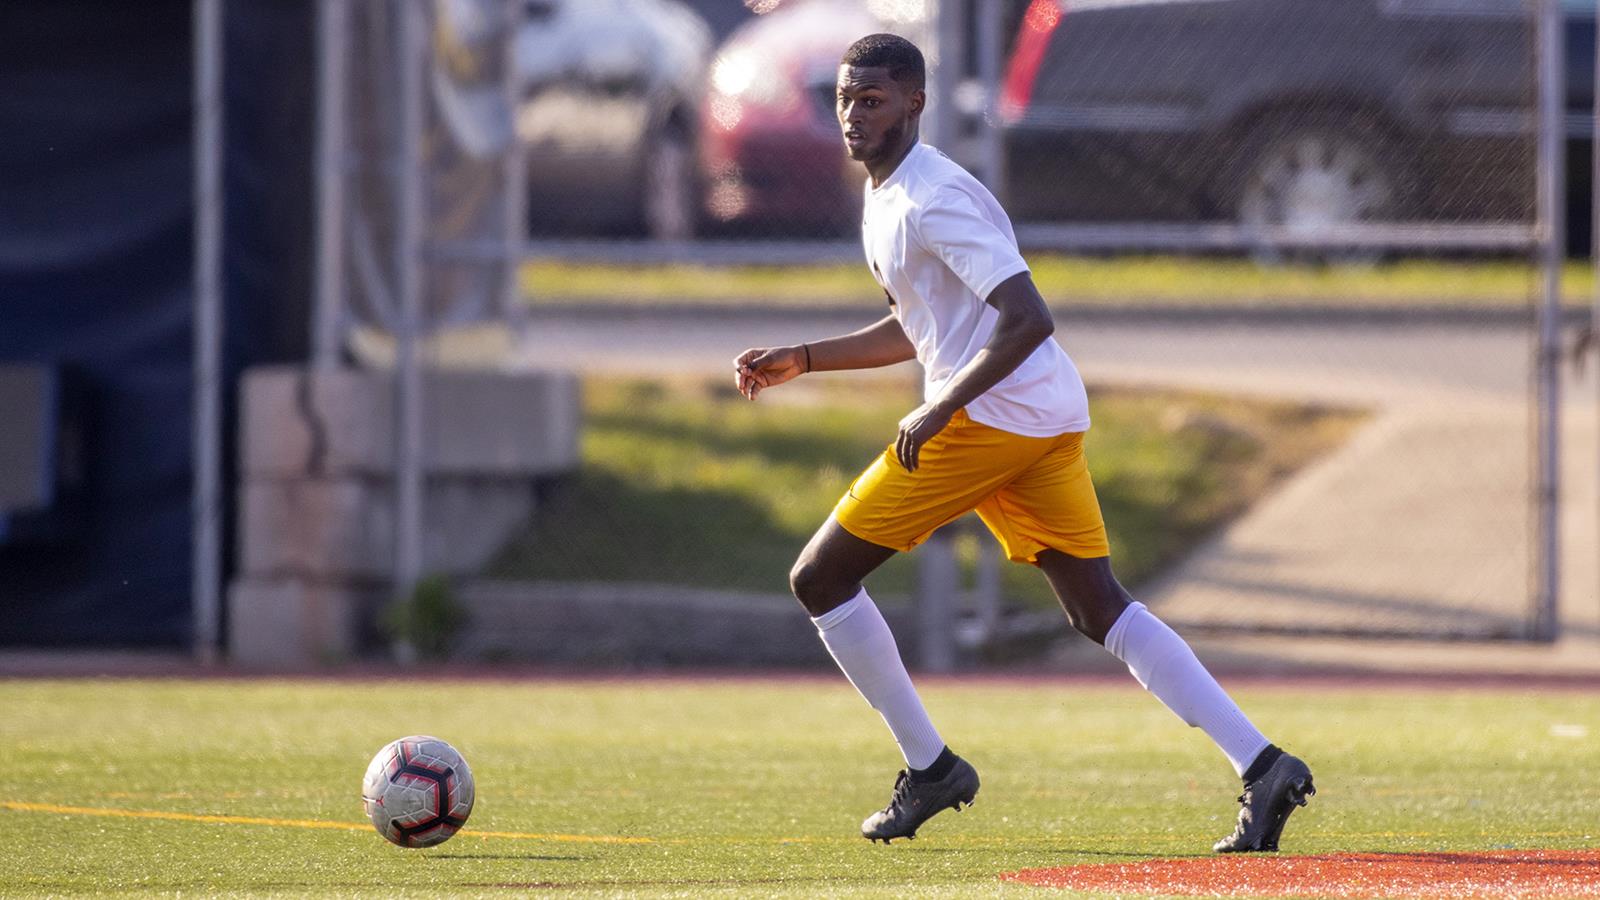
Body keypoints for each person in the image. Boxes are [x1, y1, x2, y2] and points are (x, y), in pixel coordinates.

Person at [732, 33, 1314, 851]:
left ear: (914, 104)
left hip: (991, 421)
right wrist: (807, 358)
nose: (854, 114)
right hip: (1041, 415)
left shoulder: (936, 194)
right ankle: (1264, 765)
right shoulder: (889, 193)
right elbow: (924, 322)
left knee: (820, 578)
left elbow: (1029, 318)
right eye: (844, 98)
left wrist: (938, 410)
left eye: (873, 99)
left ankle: (930, 768)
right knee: (1098, 608)